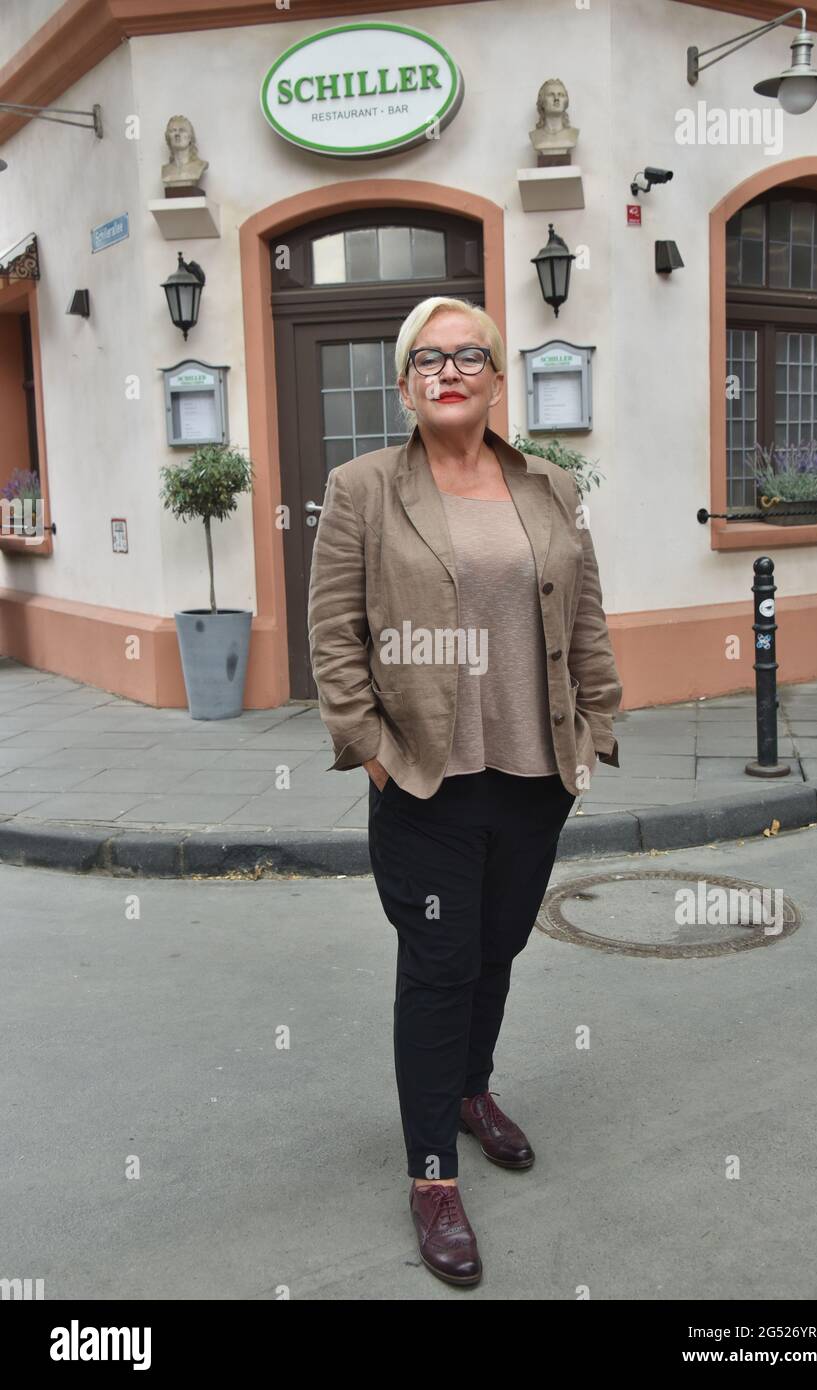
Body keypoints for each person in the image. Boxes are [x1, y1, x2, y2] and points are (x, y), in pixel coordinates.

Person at [307, 295, 622, 1287]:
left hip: (534, 773)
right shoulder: (362, 488)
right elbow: (334, 636)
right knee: (440, 962)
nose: (450, 369)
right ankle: (433, 1173)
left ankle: (472, 1091)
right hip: (426, 778)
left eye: (470, 354)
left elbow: (587, 617)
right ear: (406, 385)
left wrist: (601, 722)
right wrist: (370, 750)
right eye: (429, 358)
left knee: (499, 946)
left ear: (495, 378)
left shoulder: (550, 487)